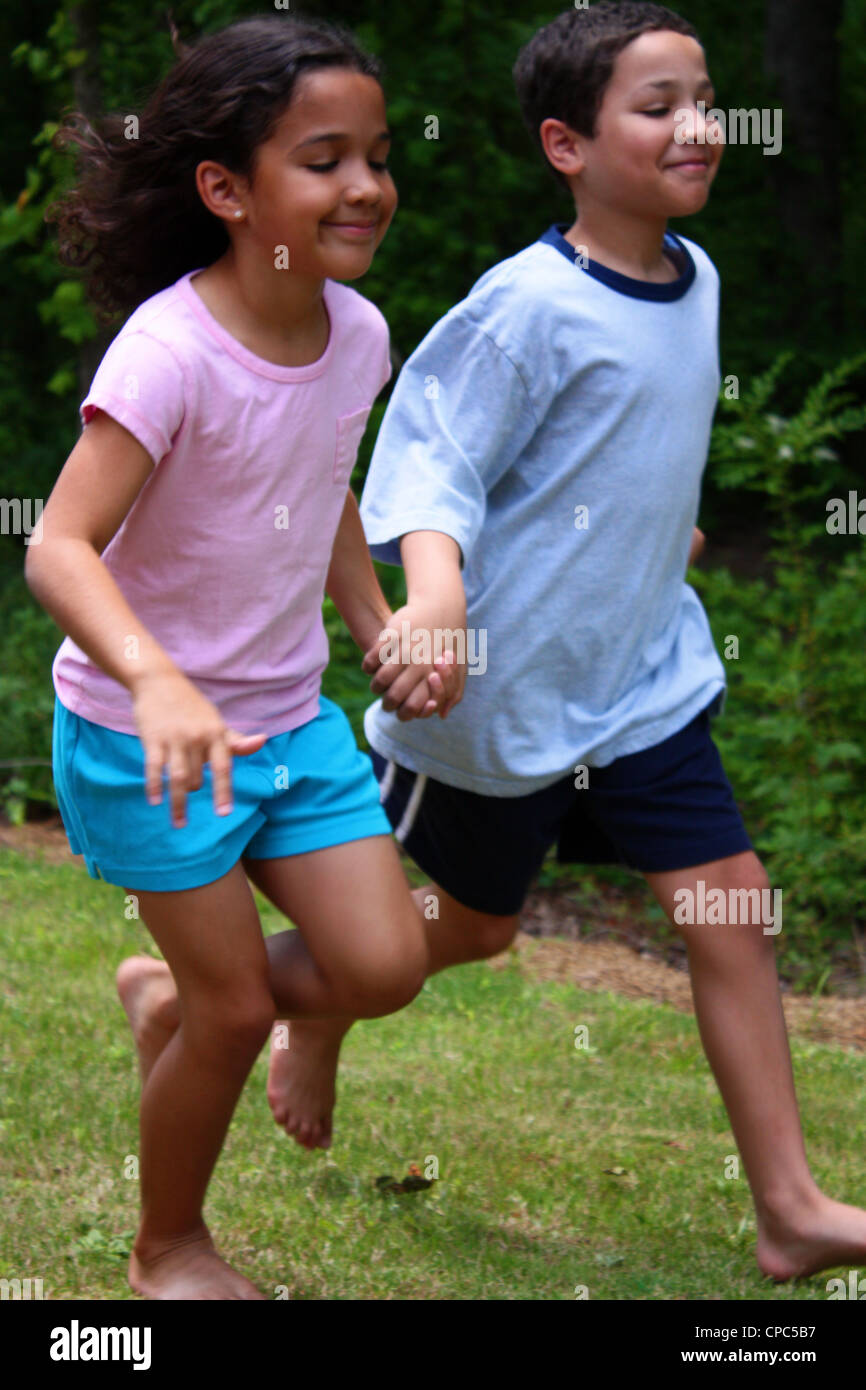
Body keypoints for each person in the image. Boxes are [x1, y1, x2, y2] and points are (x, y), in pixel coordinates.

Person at [269, 2, 866, 1283]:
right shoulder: (523, 307)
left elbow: (633, 454)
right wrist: (431, 602)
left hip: (642, 682)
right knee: (450, 937)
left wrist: (661, 545)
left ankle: (788, 1207)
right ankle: (256, 1004)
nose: (695, 127)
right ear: (565, 144)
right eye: (655, 107)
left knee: (732, 912)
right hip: (494, 702)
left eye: (701, 100)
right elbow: (426, 466)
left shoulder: (694, 280)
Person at [27, 13, 456, 1301]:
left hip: (287, 719)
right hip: (139, 734)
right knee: (238, 1012)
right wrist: (155, 677)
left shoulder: (359, 335)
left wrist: (373, 617)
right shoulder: (169, 352)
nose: (367, 185)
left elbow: (319, 480)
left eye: (376, 156)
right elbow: (56, 546)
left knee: (381, 967)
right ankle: (170, 1248)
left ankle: (167, 996)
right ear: (226, 188)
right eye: (323, 159)